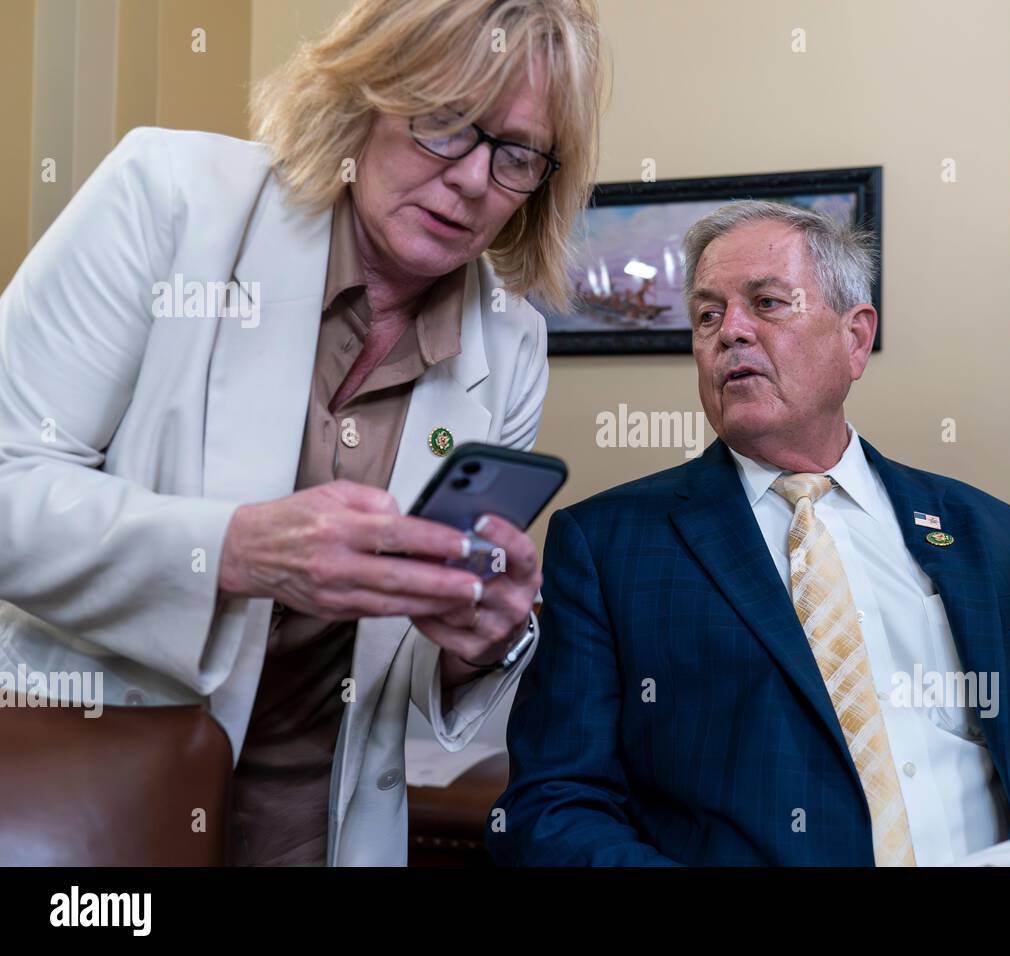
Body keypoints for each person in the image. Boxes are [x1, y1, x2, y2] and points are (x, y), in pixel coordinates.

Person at [0, 0, 603, 866]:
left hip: (322, 830)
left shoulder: (510, 345)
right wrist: (233, 551)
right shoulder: (170, 197)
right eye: (443, 122)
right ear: (365, 92)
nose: (473, 179)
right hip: (94, 806)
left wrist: (486, 641)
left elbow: (417, 665)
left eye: (515, 155)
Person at [488, 200, 1010, 866]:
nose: (730, 331)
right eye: (706, 314)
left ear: (855, 338)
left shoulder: (996, 537)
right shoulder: (609, 547)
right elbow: (555, 807)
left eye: (767, 303)